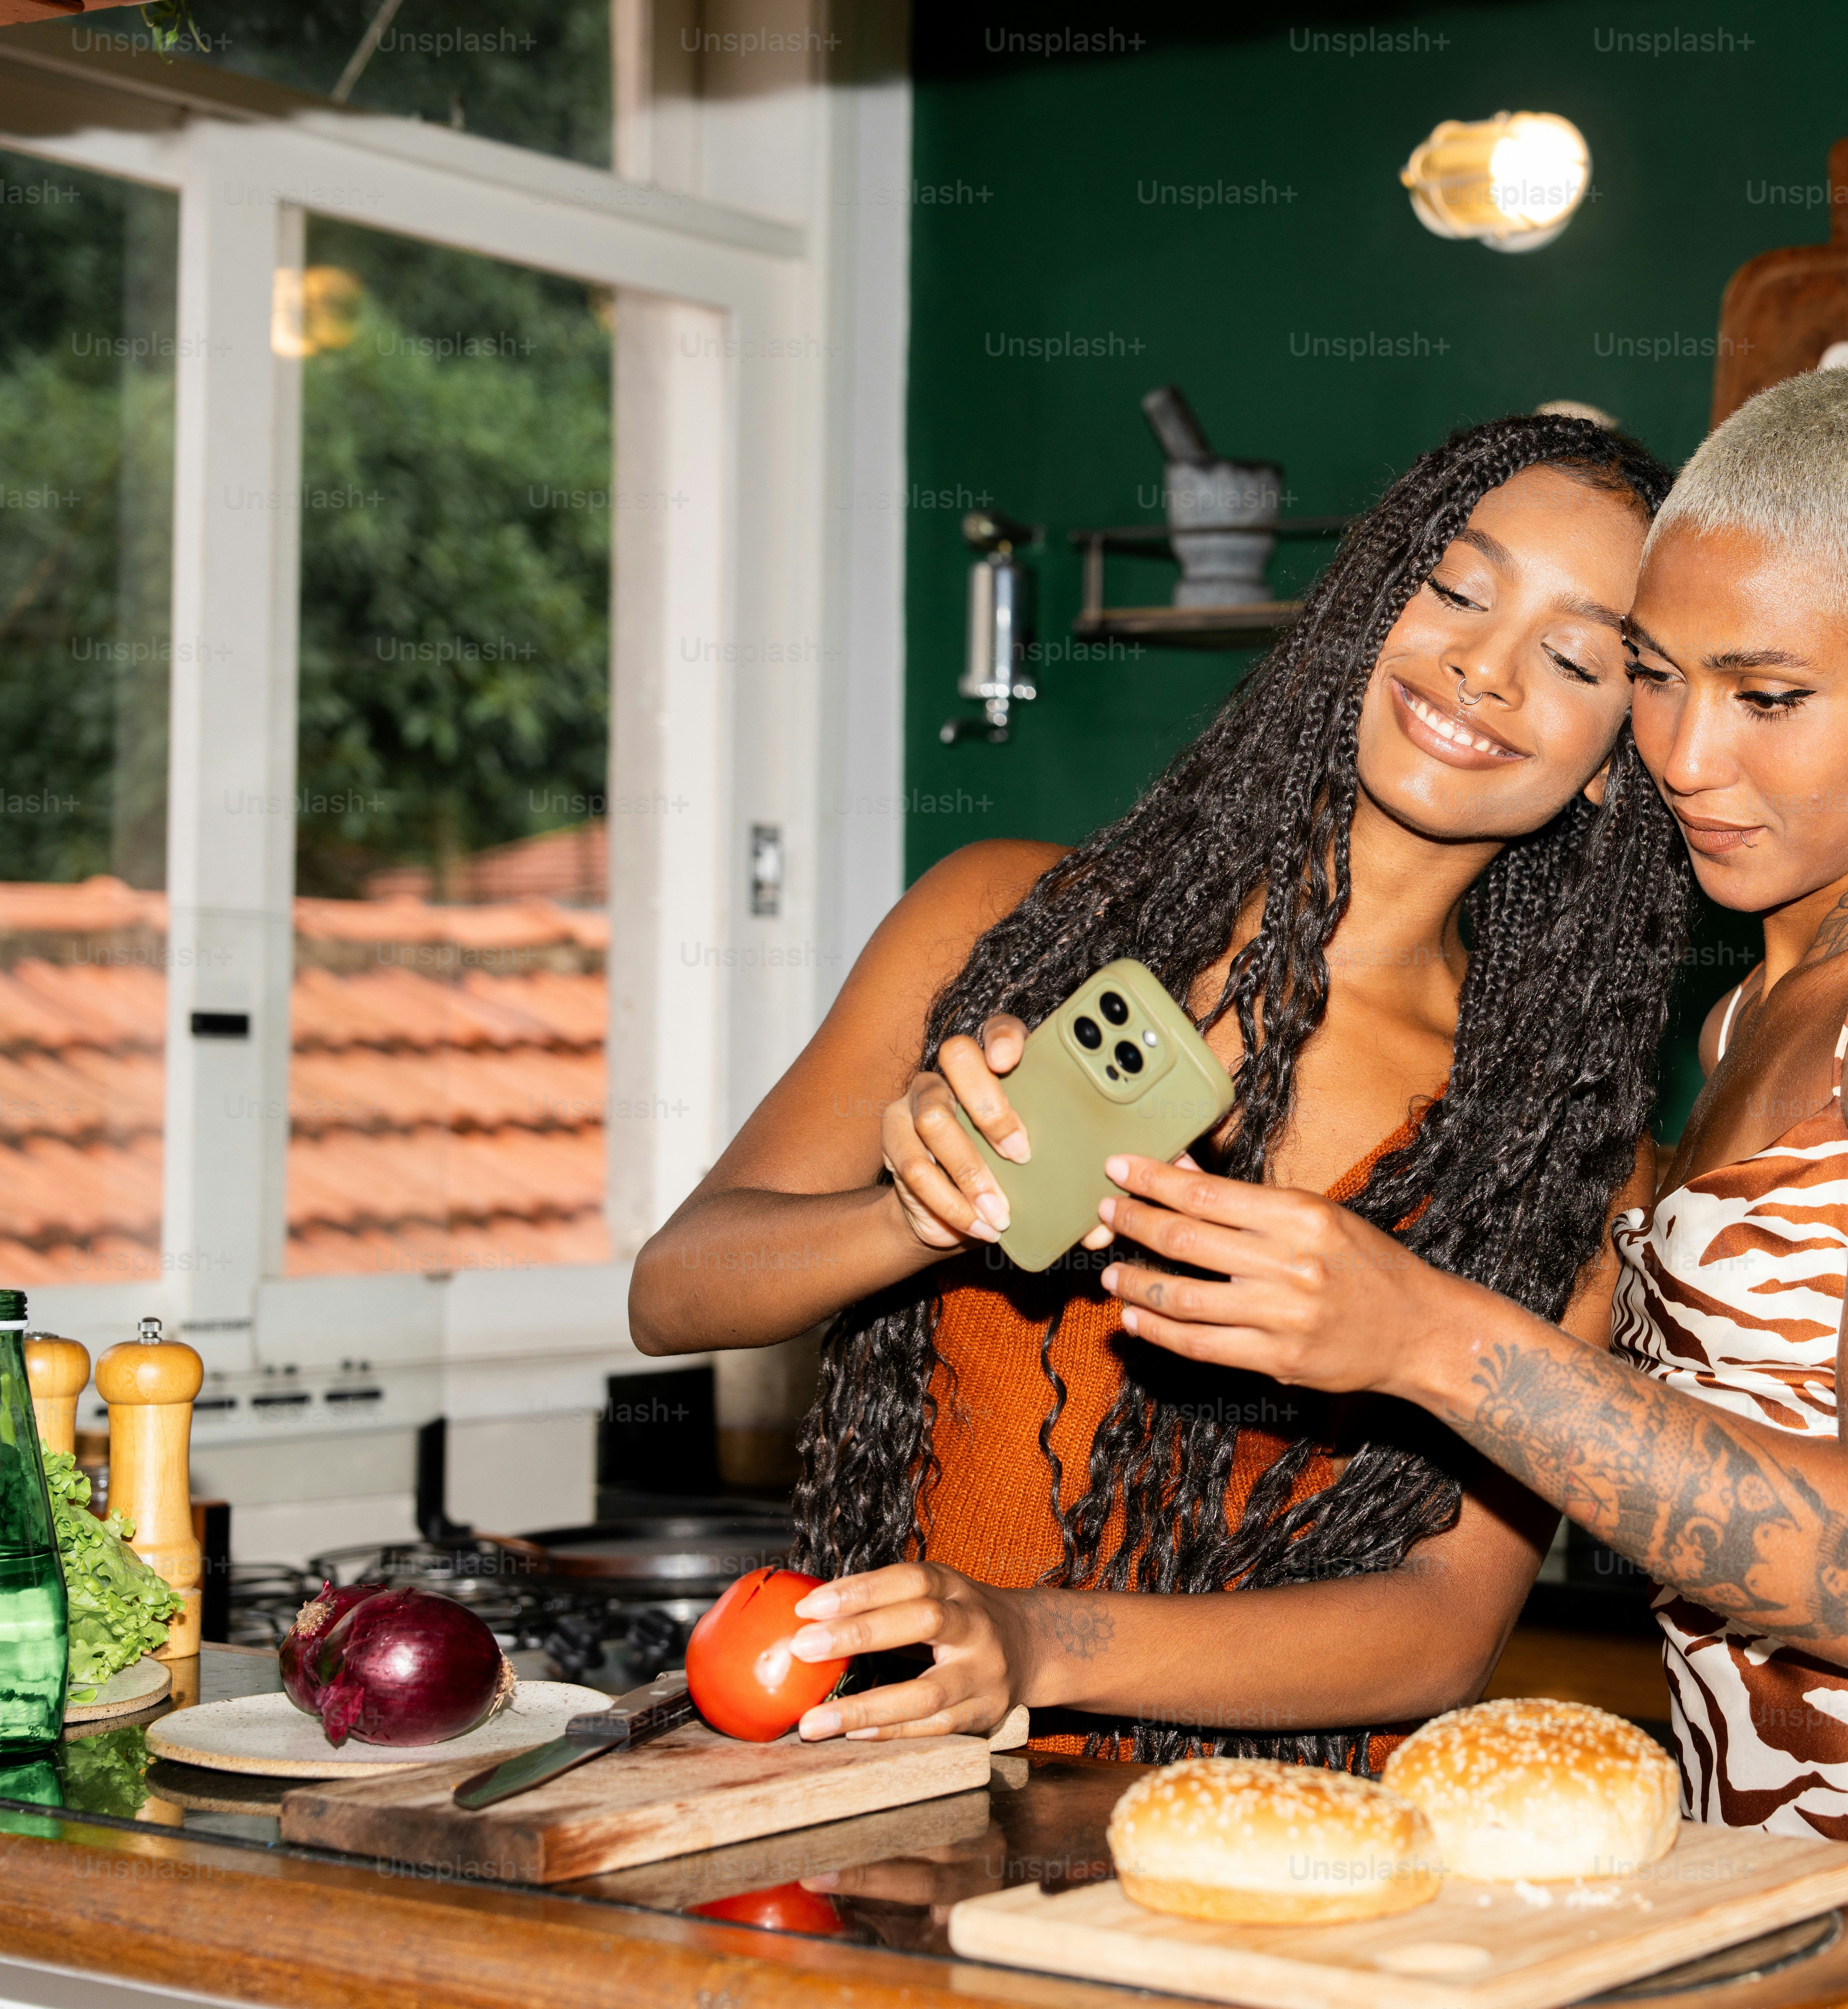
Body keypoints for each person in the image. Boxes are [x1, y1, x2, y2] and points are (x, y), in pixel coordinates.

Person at [1089, 368, 1848, 2009]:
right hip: (1820, 1871)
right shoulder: (1762, 1009)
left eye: (1769, 697)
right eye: (1660, 680)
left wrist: (1425, 1338)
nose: (1685, 755)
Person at [627, 413, 1692, 1768]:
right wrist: (919, 1214)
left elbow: (1444, 1627)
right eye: (1457, 590)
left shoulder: (1565, 1165)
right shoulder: (1000, 919)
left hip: (1258, 1846)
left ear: (1614, 760)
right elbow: (675, 1293)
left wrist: (1037, 1642)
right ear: (1370, 604)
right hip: (885, 1790)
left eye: (1574, 658)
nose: (1485, 668)